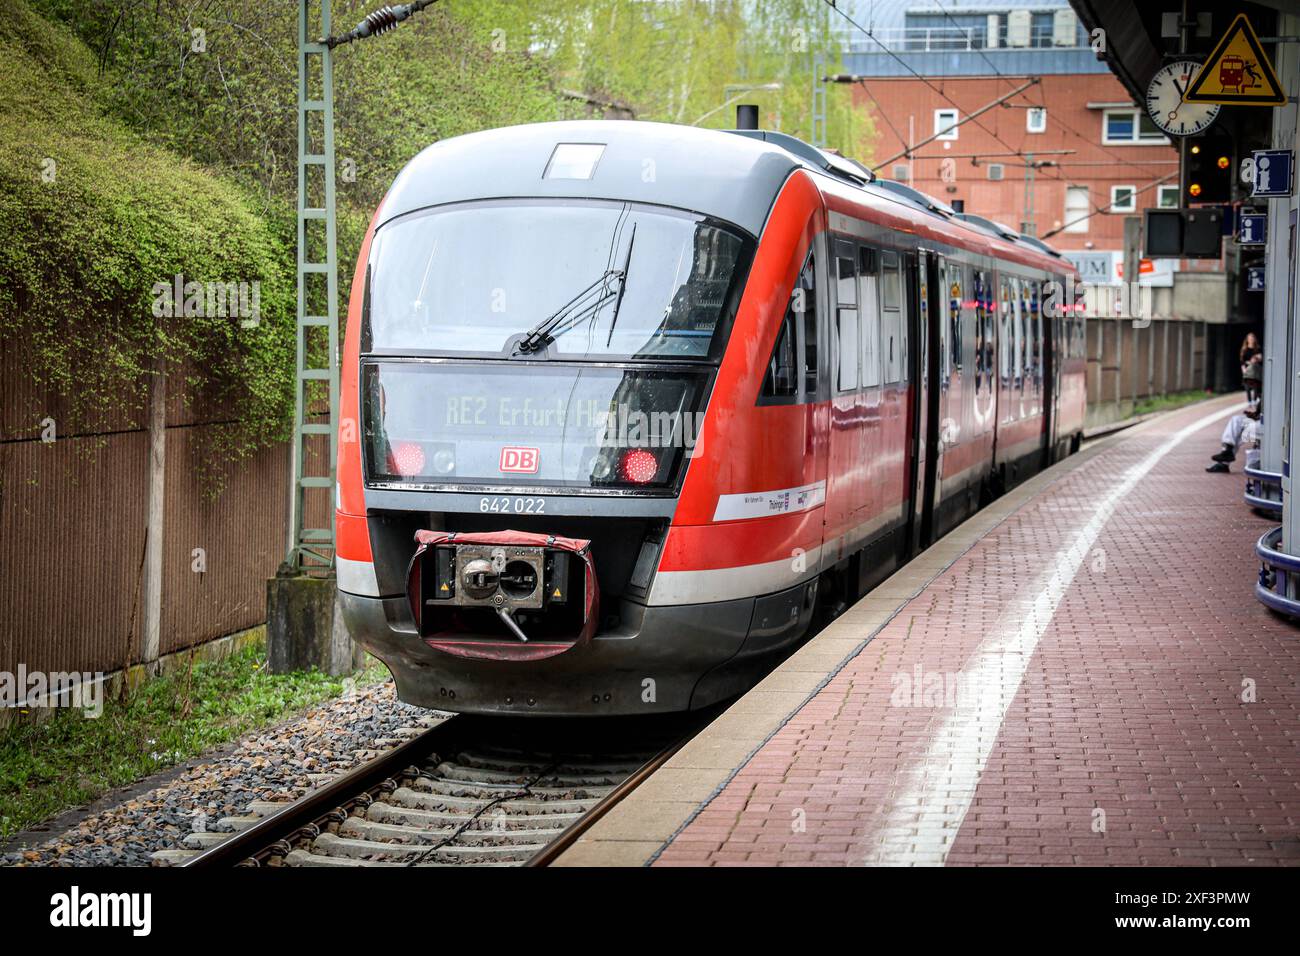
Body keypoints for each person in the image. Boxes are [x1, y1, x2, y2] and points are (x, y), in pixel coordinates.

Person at [1206, 401, 1260, 473]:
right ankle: (1226, 451)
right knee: (1236, 420)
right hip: (1261, 421)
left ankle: (1224, 461)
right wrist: (1255, 415)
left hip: (1271, 426)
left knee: (1240, 431)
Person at [1240, 332, 1263, 402]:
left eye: (1252, 338)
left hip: (1256, 369)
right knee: (1247, 386)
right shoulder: (1244, 349)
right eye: (1249, 339)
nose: (1251, 340)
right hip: (1248, 369)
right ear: (1247, 340)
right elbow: (1242, 361)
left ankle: (1255, 400)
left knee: (1256, 385)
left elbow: (1261, 358)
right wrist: (1244, 370)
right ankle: (1249, 401)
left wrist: (1256, 358)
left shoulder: (1258, 348)